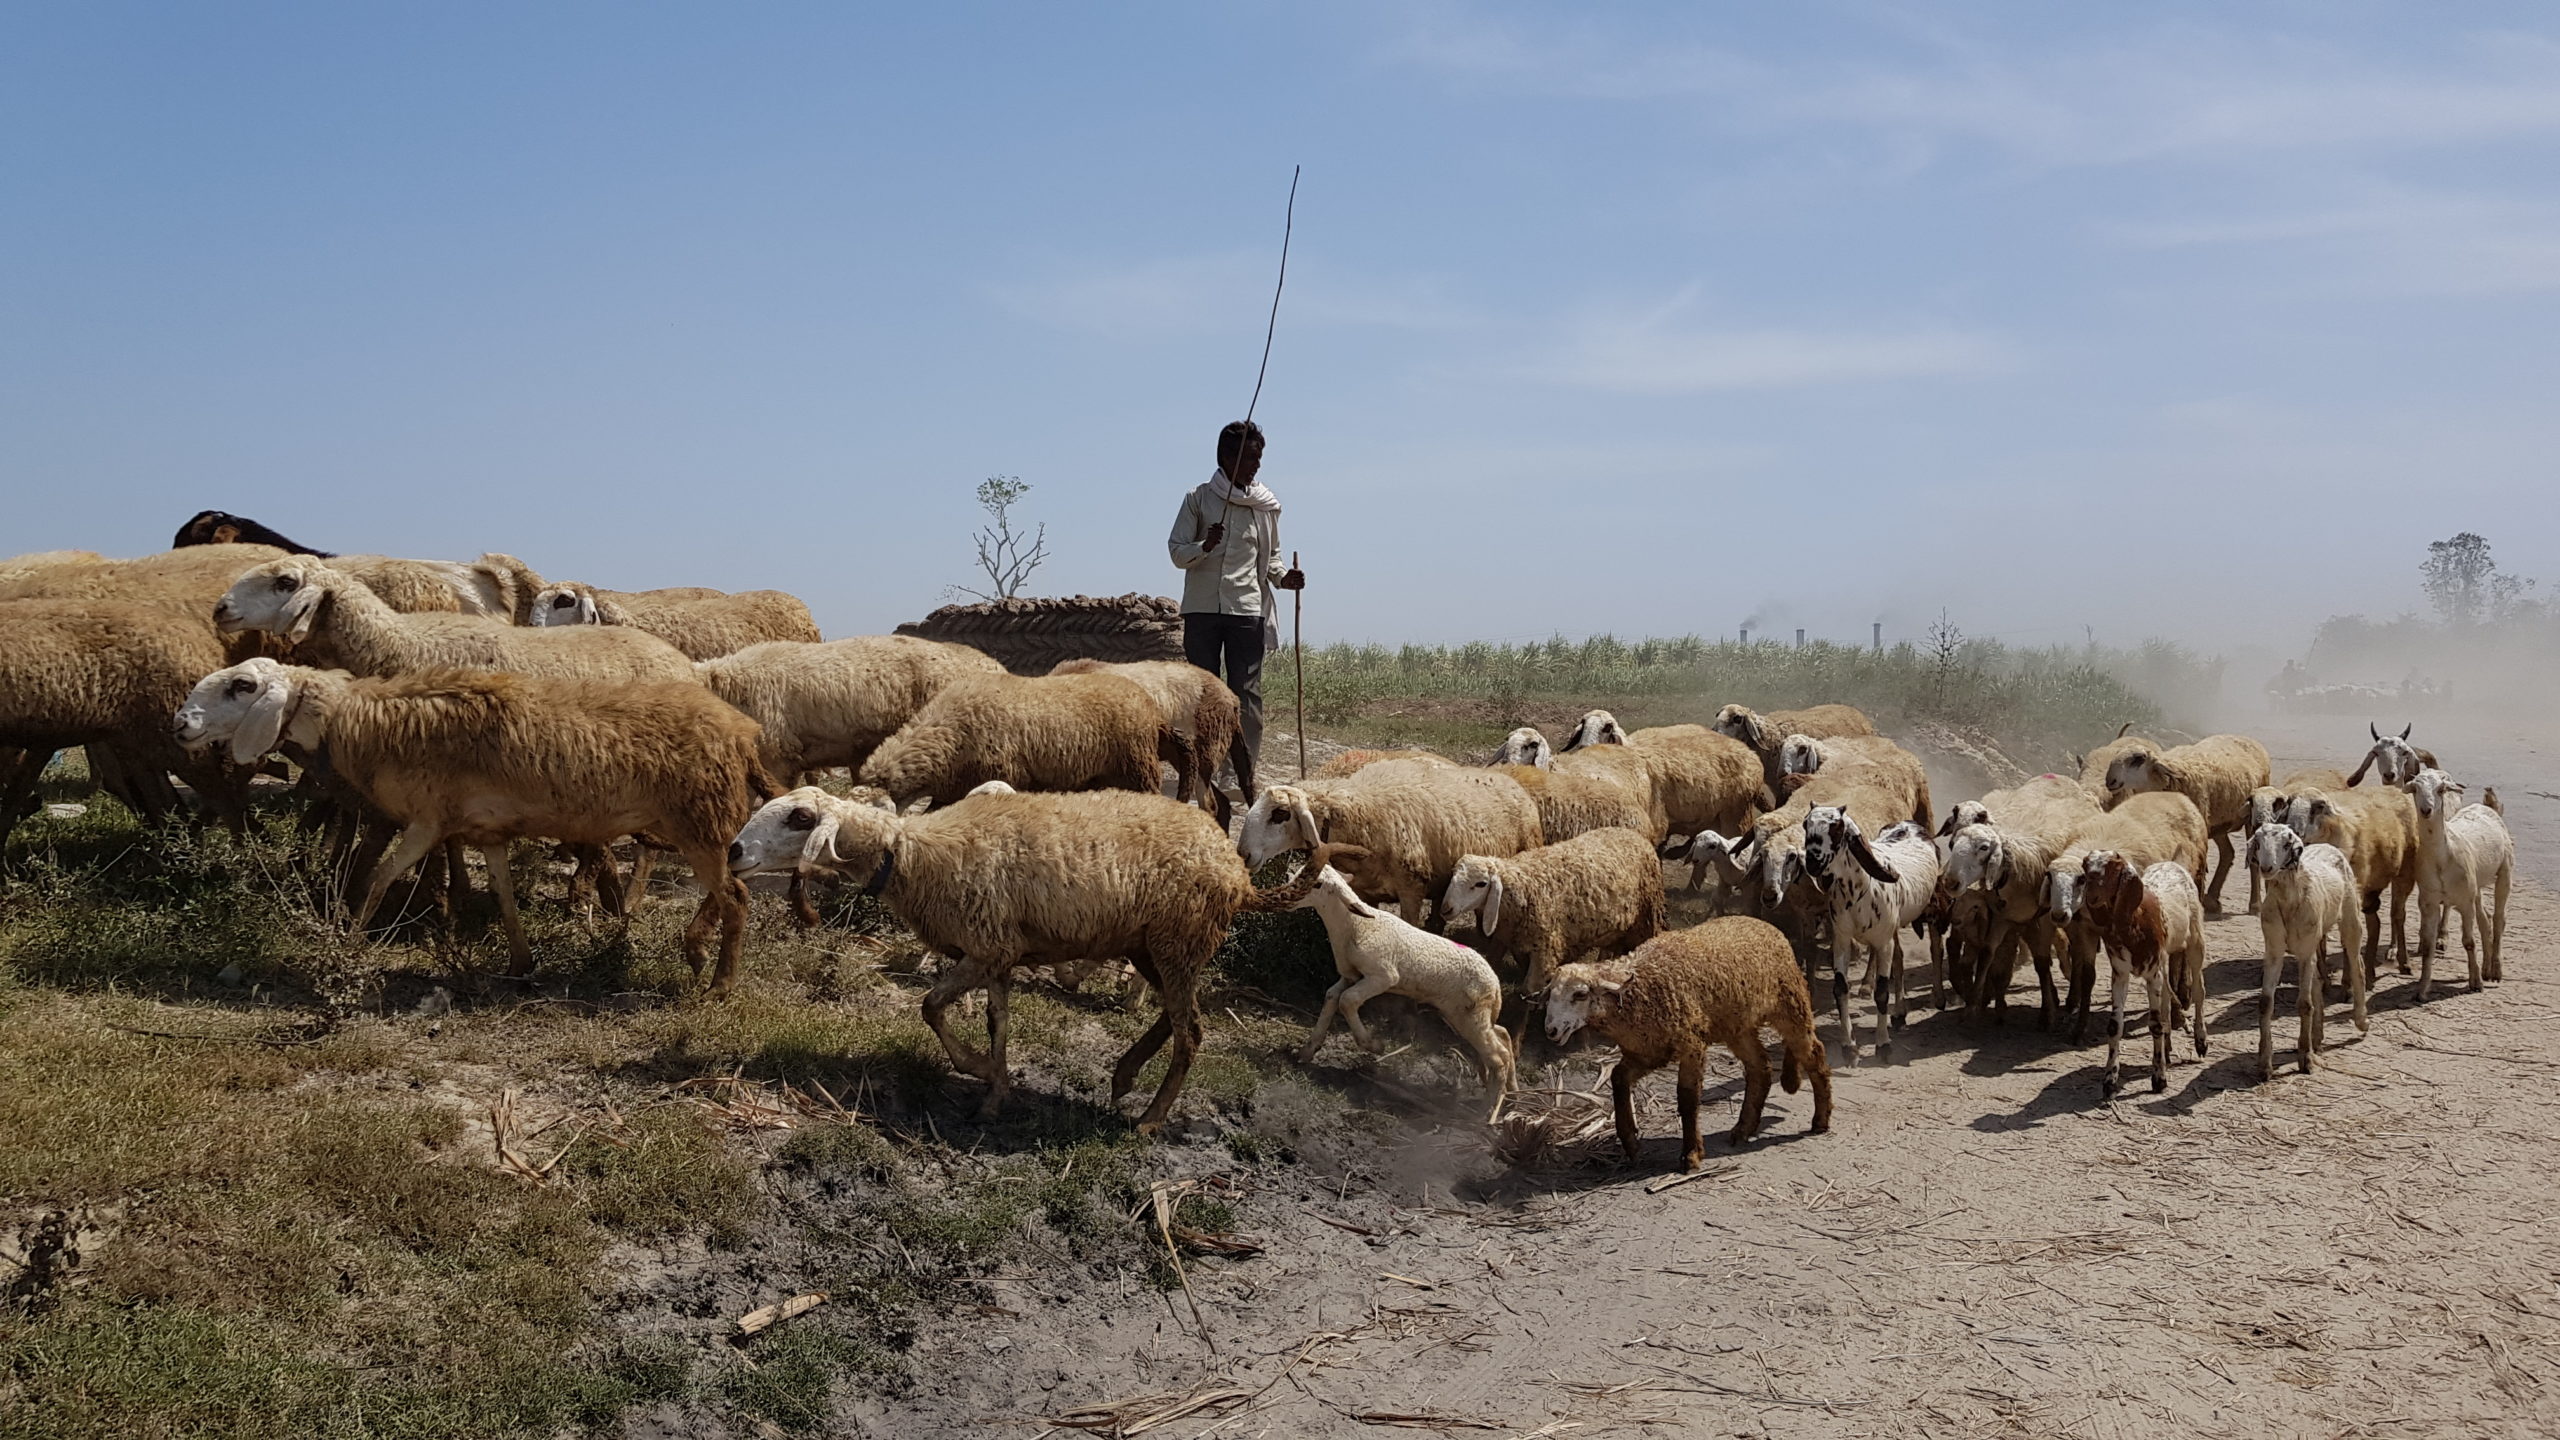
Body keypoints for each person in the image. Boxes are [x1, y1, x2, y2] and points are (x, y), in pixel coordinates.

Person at [1168, 420, 1304, 776]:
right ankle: (1203, 766)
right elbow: (1177, 552)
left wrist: (1284, 578)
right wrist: (1205, 546)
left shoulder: (1266, 506)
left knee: (1245, 694)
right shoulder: (1197, 499)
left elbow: (1272, 558)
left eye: (1259, 458)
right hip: (1202, 610)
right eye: (1249, 457)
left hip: (1247, 610)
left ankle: (1238, 770)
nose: (1256, 465)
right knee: (1203, 692)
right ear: (1227, 458)